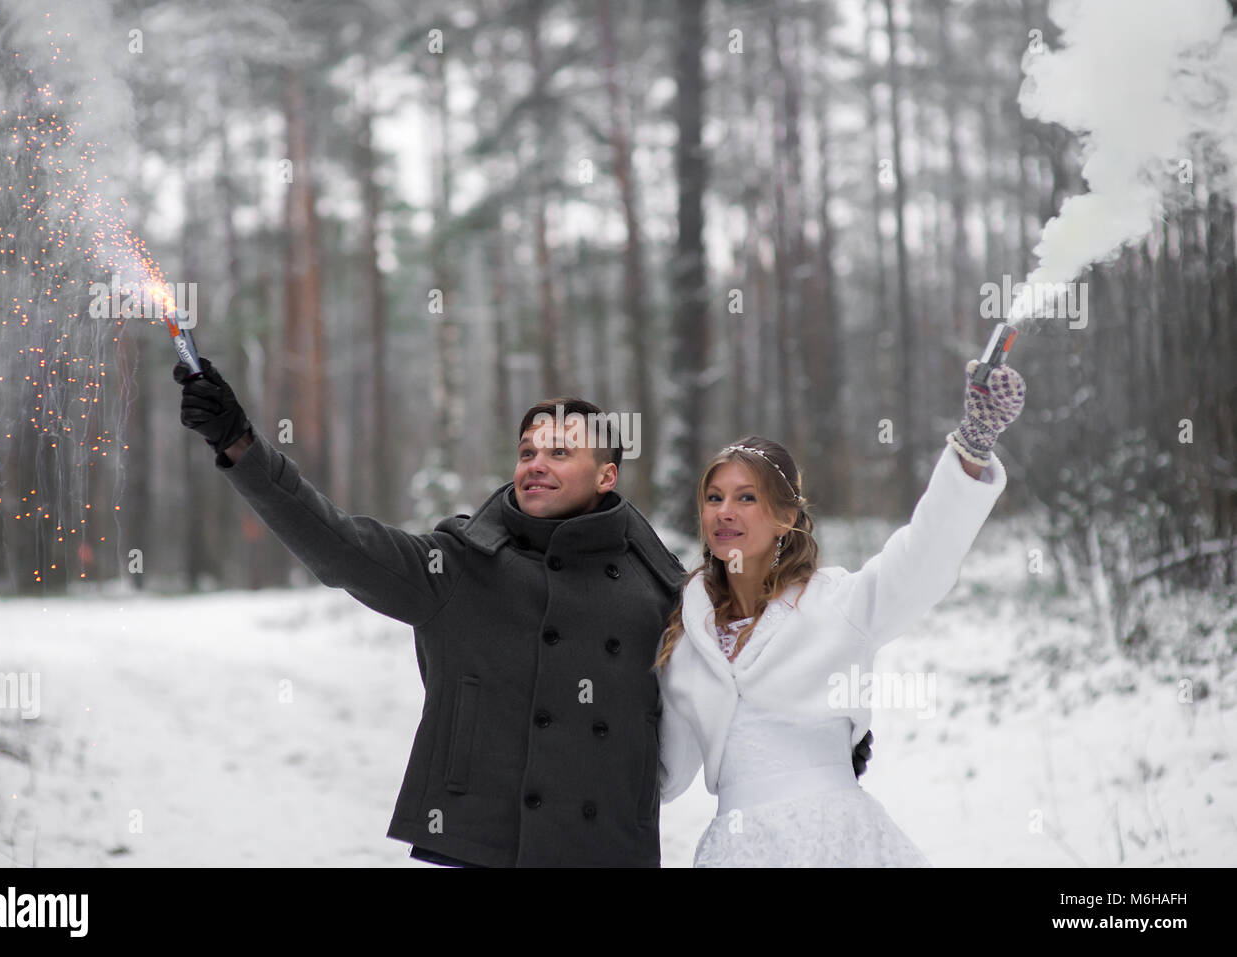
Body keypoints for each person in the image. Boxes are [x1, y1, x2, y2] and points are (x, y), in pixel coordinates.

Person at [172, 359, 875, 866]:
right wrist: (241, 447)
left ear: (607, 476)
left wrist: (829, 732)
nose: (535, 462)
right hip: (477, 846)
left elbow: (732, 674)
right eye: (527, 450)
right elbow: (338, 545)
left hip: (607, 853)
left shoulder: (665, 591)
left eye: (560, 451)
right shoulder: (458, 565)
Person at [655, 359, 1026, 866]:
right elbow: (662, 775)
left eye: (747, 497)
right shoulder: (687, 639)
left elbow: (923, 559)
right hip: (737, 848)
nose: (724, 511)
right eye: (714, 497)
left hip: (838, 839)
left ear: (787, 517)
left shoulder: (839, 603)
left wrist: (973, 444)